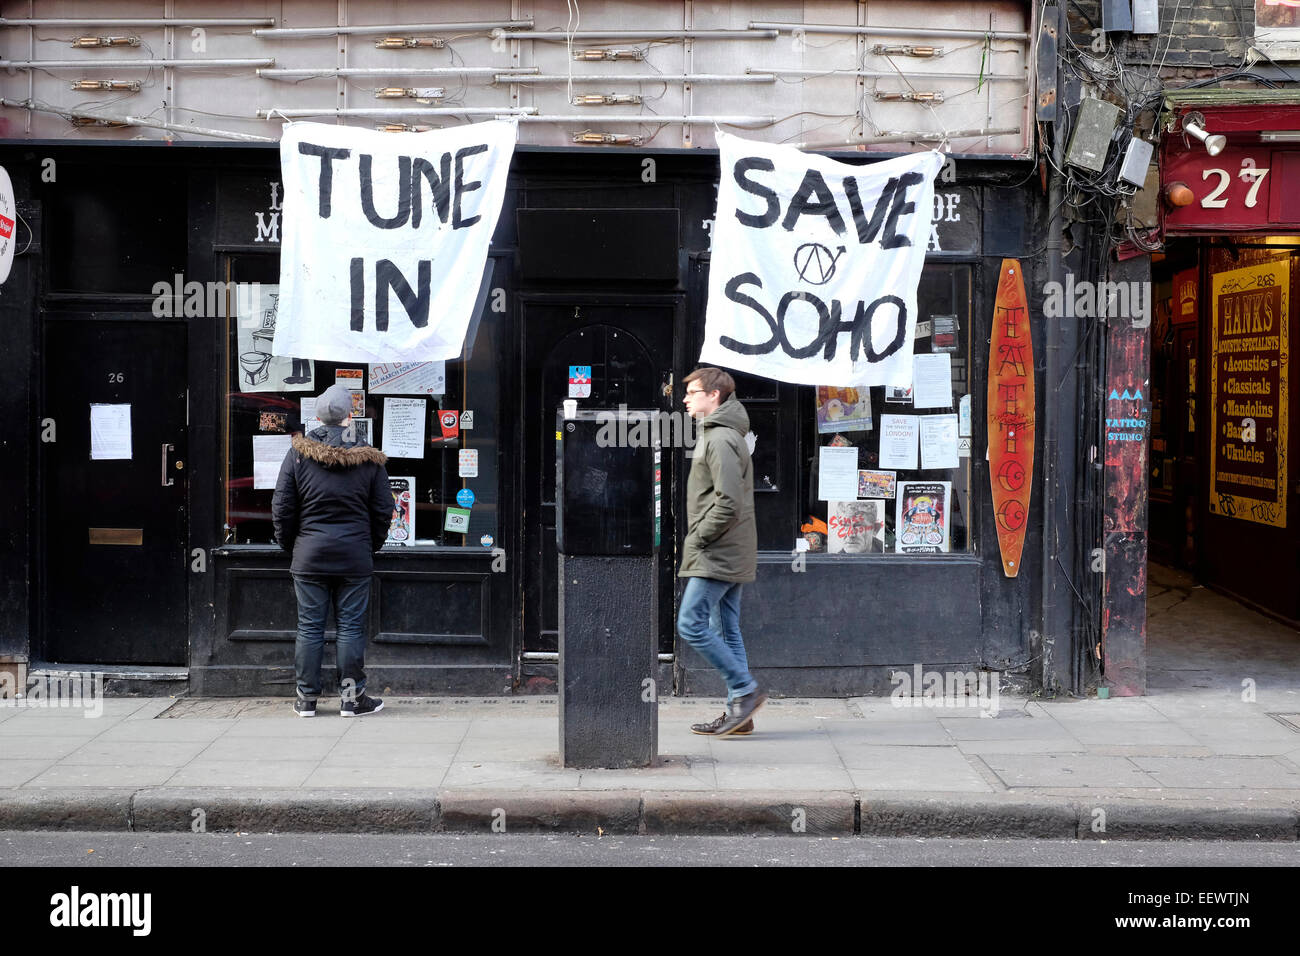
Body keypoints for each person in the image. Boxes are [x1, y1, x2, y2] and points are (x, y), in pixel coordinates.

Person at [272, 383, 393, 717]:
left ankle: (306, 700)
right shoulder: (369, 457)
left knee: (310, 627)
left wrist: (290, 546)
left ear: (317, 415)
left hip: (309, 555)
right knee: (351, 628)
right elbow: (384, 509)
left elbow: (282, 506)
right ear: (351, 416)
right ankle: (352, 700)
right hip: (354, 556)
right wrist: (371, 546)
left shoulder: (298, 453)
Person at [678, 367, 766, 737]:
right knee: (725, 627)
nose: (686, 398)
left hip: (717, 550)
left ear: (714, 396)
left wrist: (698, 537)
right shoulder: (724, 435)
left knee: (691, 623)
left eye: (693, 392)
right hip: (729, 547)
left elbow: (727, 502)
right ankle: (739, 715)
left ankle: (744, 690)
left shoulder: (719, 438)